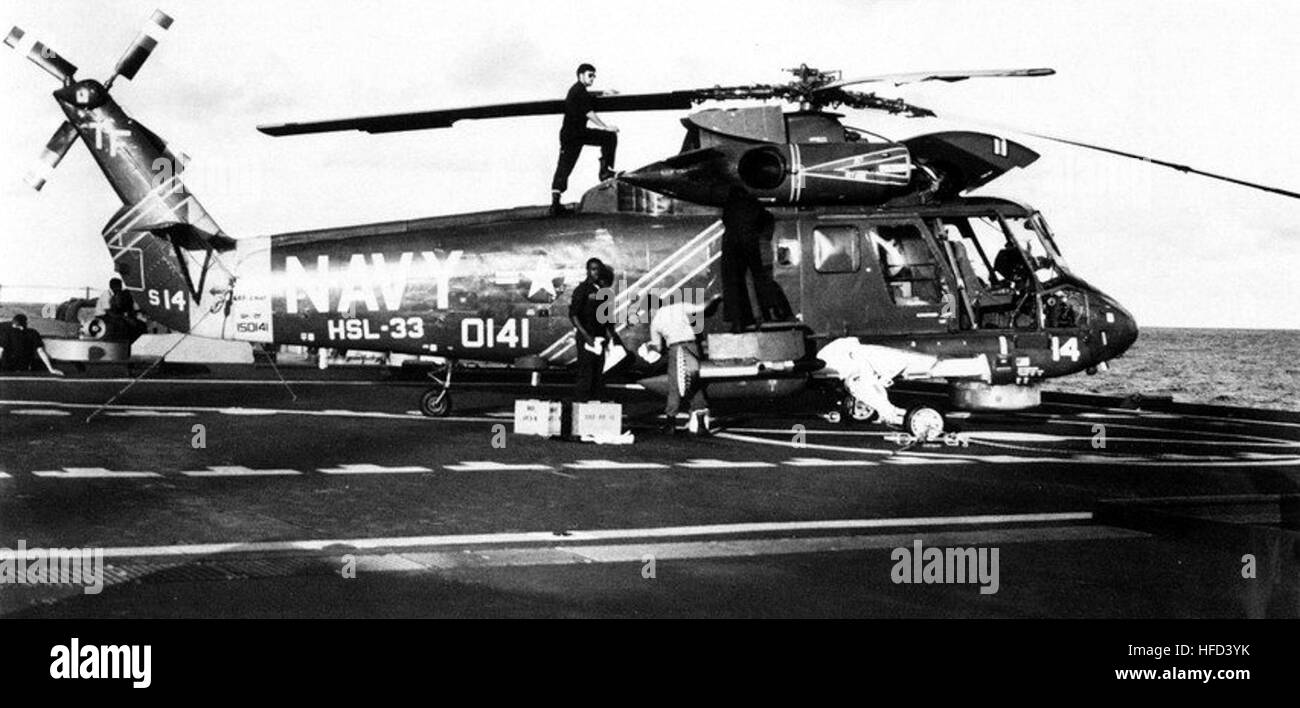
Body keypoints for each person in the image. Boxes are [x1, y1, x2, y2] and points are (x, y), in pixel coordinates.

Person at [550, 63, 619, 216]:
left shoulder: (579, 90)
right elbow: (589, 112)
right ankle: (555, 205)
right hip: (571, 135)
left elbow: (589, 97)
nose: (593, 78)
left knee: (608, 139)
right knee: (564, 167)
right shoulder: (577, 91)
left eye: (594, 75)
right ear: (581, 75)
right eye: (590, 75)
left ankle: (605, 171)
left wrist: (603, 92)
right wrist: (605, 126)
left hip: (577, 133)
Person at [643, 295, 710, 435]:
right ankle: (701, 425)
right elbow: (701, 308)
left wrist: (648, 348)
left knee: (675, 384)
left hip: (675, 349)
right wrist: (715, 299)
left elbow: (659, 348)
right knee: (694, 383)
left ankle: (670, 424)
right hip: (691, 346)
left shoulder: (655, 321)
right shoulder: (680, 306)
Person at [719, 186, 774, 332]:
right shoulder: (753, 203)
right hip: (749, 240)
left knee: (732, 281)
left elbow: (725, 219)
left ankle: (737, 320)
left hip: (730, 243)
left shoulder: (729, 204)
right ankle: (767, 312)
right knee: (757, 276)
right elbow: (763, 218)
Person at [569, 257, 615, 401]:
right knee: (586, 374)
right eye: (593, 269)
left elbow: (603, 315)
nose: (596, 273)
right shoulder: (581, 290)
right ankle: (581, 406)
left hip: (599, 339)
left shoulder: (601, 290)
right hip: (587, 339)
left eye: (598, 270)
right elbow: (573, 315)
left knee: (598, 373)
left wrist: (608, 334)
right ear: (588, 271)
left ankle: (595, 405)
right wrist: (586, 336)